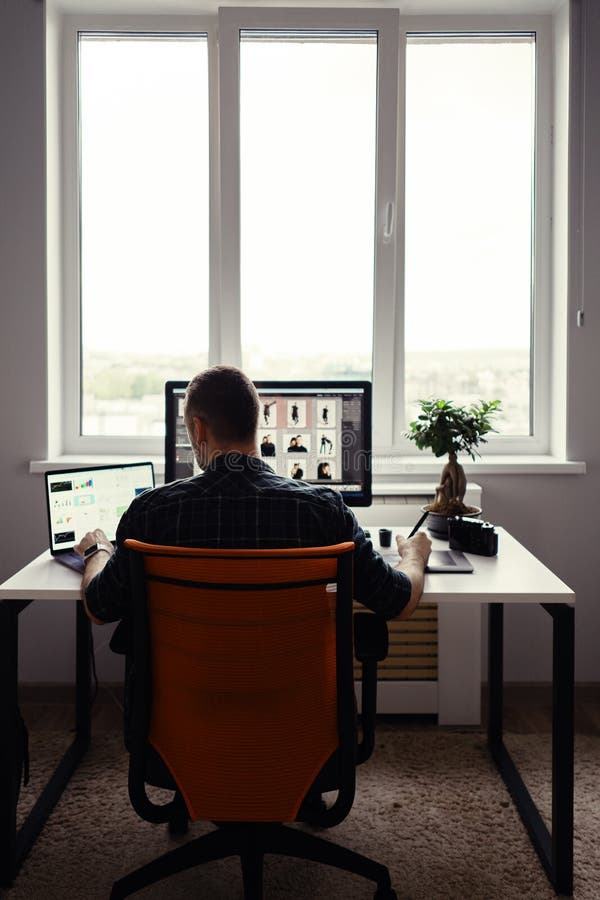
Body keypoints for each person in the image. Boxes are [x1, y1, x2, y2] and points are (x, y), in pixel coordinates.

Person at [75, 366, 431, 749]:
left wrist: (99, 549)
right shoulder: (324, 511)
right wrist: (413, 556)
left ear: (197, 429)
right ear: (258, 421)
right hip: (300, 728)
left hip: (181, 730)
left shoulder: (151, 513)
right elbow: (397, 601)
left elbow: (98, 607)